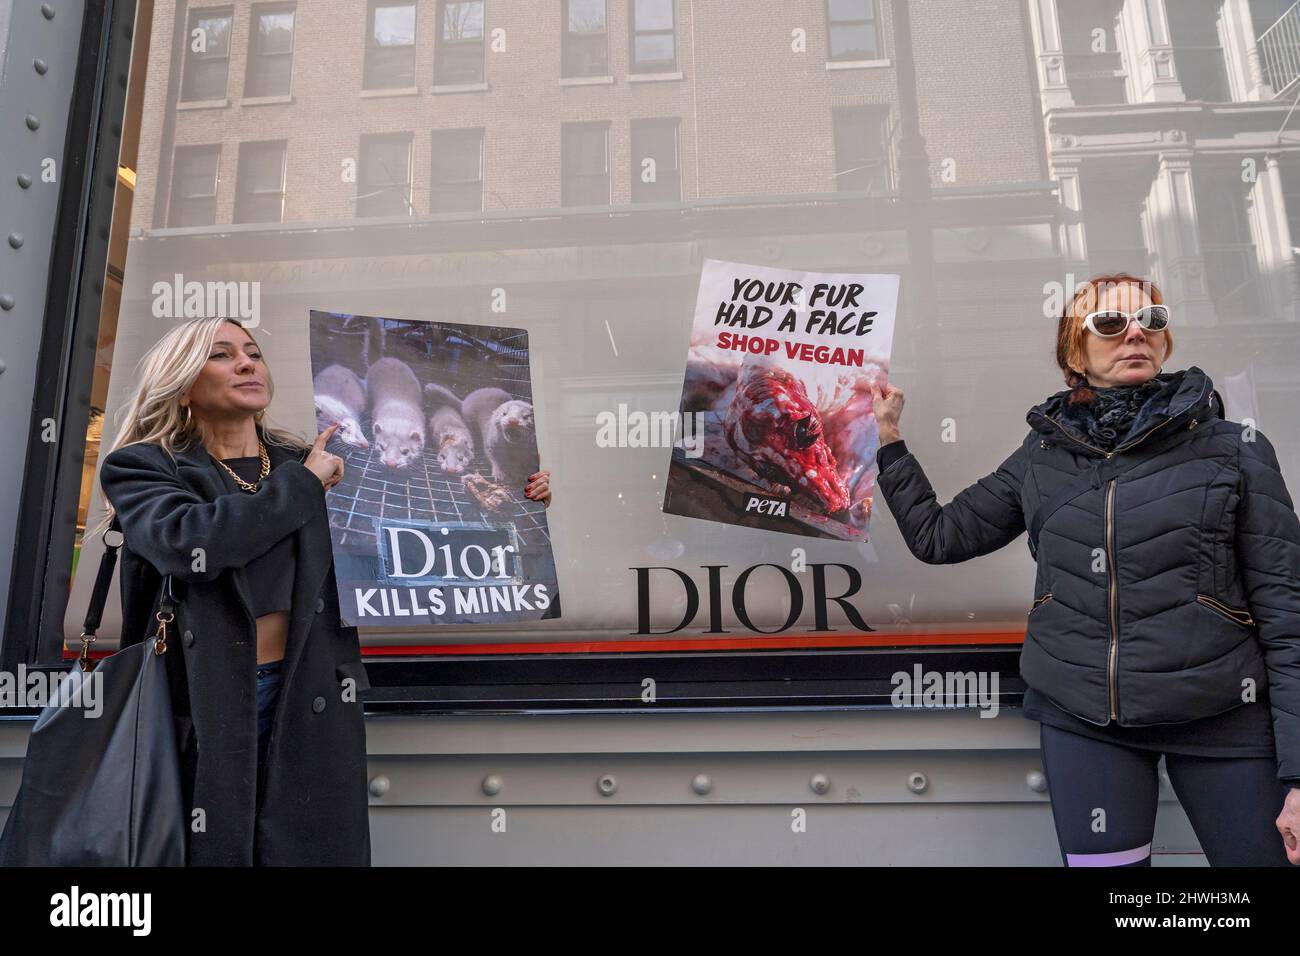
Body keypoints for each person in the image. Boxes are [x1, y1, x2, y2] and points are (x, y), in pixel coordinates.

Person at [868, 273, 1300, 867]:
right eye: (1110, 324)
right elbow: (938, 537)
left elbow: (1286, 612)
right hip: (1086, 720)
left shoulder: (1234, 447)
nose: (1135, 335)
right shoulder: (1044, 455)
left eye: (1151, 321)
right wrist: (889, 441)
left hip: (1223, 715)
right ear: (1076, 350)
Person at [97, 316, 553, 865]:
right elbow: (190, 544)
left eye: (253, 352)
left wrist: (520, 493)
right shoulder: (144, 467)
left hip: (308, 689)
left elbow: (411, 550)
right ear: (182, 382)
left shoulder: (303, 461)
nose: (246, 362)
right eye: (221, 355)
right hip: (203, 699)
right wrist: (305, 485)